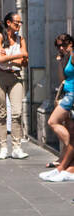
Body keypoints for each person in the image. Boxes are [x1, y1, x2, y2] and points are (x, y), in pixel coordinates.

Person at [0, 10, 29, 159]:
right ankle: (2, 148)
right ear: (8, 23)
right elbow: (0, 59)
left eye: (20, 23)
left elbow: (25, 61)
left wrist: (10, 58)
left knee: (17, 113)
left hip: (15, 77)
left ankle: (17, 147)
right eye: (16, 22)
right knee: (1, 114)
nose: (19, 25)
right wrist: (18, 56)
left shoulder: (21, 39)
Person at [40, 33, 74, 182]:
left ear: (71, 43)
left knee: (52, 121)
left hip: (72, 96)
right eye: (59, 46)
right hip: (68, 93)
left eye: (64, 45)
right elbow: (62, 79)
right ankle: (66, 167)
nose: (61, 48)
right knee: (71, 130)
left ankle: (67, 151)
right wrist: (60, 62)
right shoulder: (67, 57)